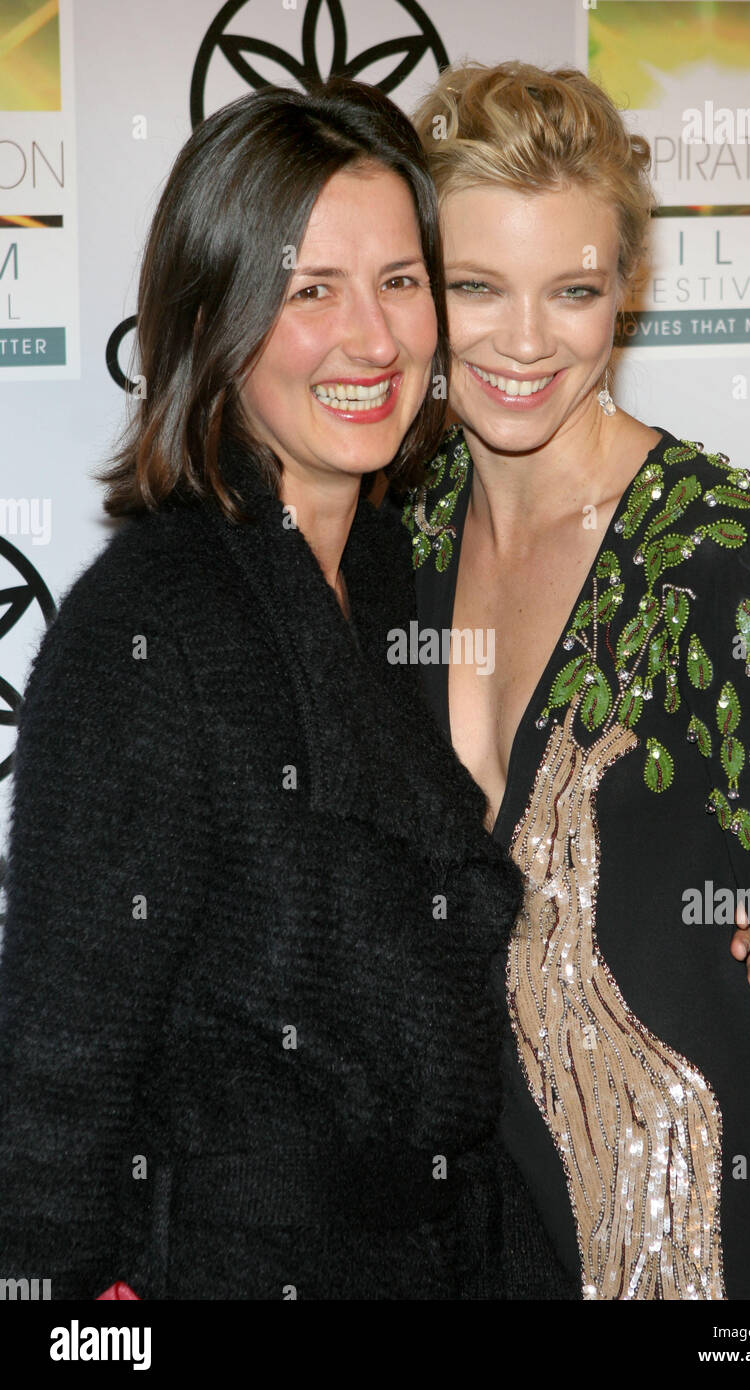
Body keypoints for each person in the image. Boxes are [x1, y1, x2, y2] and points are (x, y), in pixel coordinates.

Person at [0, 81, 577, 1300]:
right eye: (309, 290)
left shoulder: (387, 583)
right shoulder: (150, 635)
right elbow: (55, 1088)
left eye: (400, 280)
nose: (372, 339)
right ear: (217, 316)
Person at [397, 61, 750, 1300]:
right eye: (474, 286)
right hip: (463, 1240)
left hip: (678, 1234)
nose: (521, 339)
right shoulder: (400, 540)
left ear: (630, 290)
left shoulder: (729, 560)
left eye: (572, 290)